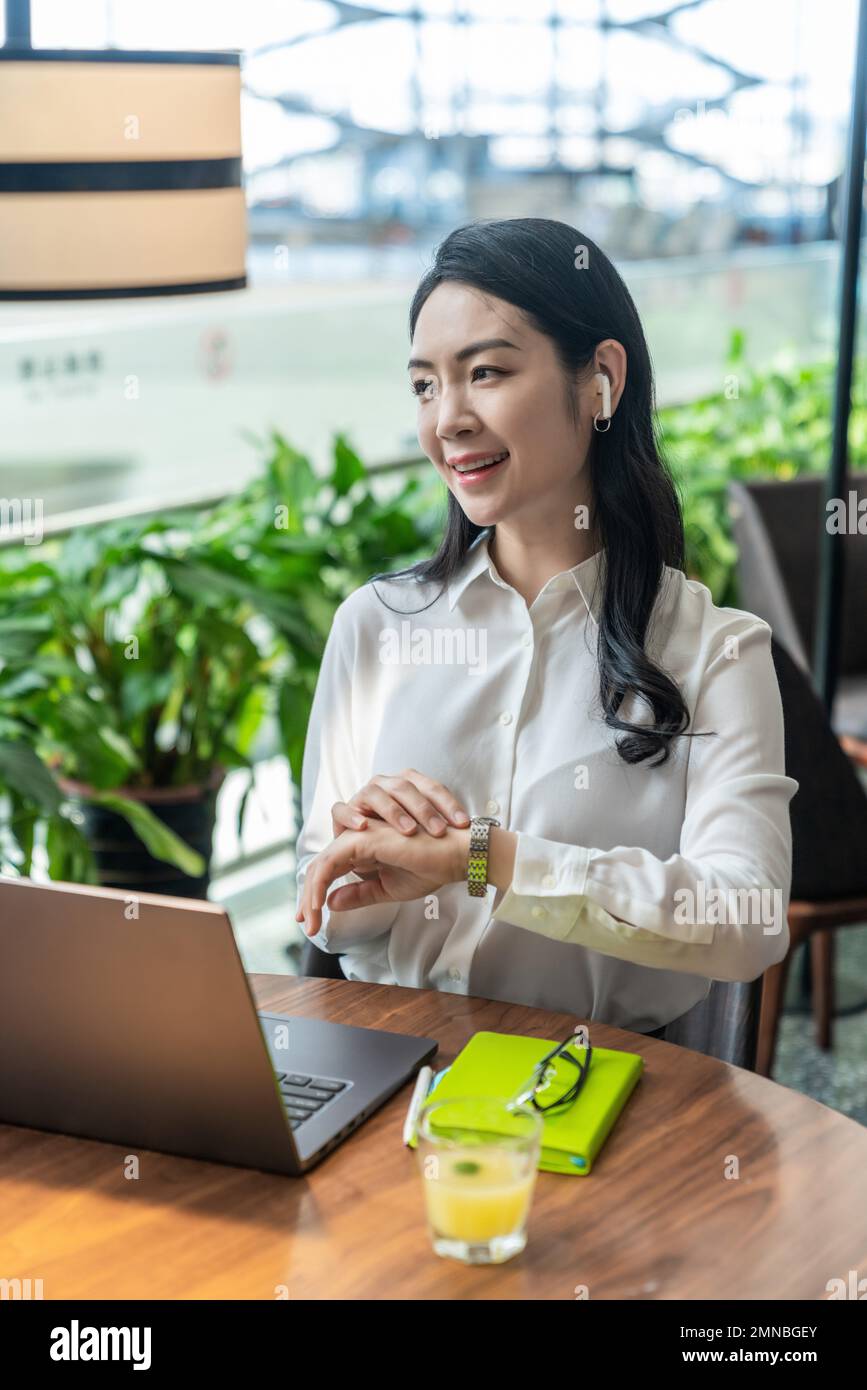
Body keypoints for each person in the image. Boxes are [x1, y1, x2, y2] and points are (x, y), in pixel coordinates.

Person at [293, 217, 798, 1034]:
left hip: (601, 1088)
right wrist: (355, 868)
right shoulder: (373, 627)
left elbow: (748, 919)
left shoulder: (714, 652)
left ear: (600, 379)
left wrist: (483, 858)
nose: (447, 419)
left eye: (484, 372)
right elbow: (326, 915)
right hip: (390, 1077)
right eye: (424, 385)